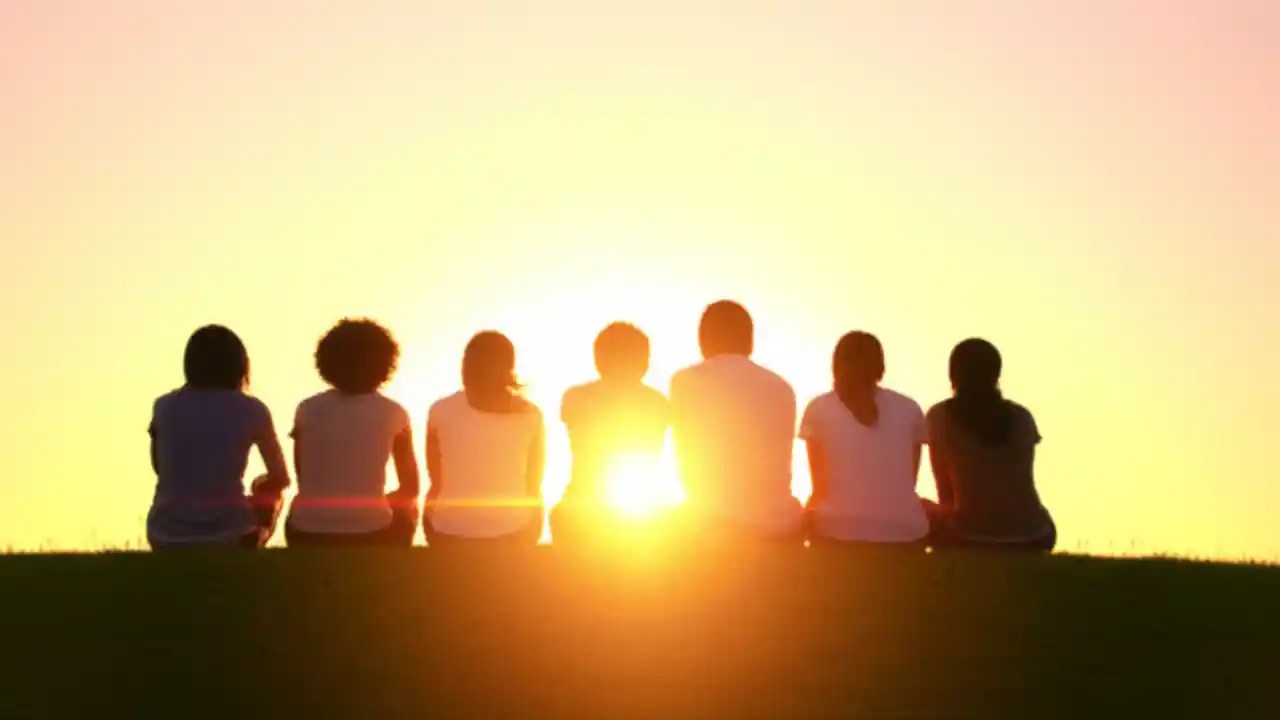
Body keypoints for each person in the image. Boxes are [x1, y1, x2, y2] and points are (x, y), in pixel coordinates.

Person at [147, 325, 290, 549]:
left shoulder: (164, 406)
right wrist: (259, 488)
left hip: (164, 534)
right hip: (232, 533)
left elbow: (159, 467)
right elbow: (280, 477)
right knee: (272, 492)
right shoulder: (253, 409)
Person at [670, 301, 803, 540]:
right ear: (750, 341)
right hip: (774, 523)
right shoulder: (782, 387)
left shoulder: (684, 381)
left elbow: (686, 461)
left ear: (702, 341)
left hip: (708, 521)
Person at [285, 319, 419, 547]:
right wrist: (376, 504)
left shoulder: (306, 409)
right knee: (409, 508)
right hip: (374, 533)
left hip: (307, 533)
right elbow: (410, 487)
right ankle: (395, 562)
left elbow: (303, 477)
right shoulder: (395, 413)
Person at [799, 332, 930, 547]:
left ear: (836, 366)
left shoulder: (819, 408)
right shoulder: (909, 408)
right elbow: (909, 480)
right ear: (880, 367)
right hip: (905, 529)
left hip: (836, 528)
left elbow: (820, 487)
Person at [925, 338, 1056, 551]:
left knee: (918, 509)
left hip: (968, 536)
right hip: (1033, 535)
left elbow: (945, 493)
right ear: (996, 374)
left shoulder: (939, 417)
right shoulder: (1022, 417)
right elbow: (1022, 479)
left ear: (953, 375)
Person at [551, 323, 670, 544]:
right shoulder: (658, 403)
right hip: (641, 510)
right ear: (644, 362)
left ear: (598, 359)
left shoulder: (575, 397)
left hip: (582, 509)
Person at [424, 331, 545, 544]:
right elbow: (533, 483)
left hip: (448, 532)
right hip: (513, 532)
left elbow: (436, 481)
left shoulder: (440, 410)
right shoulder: (531, 415)